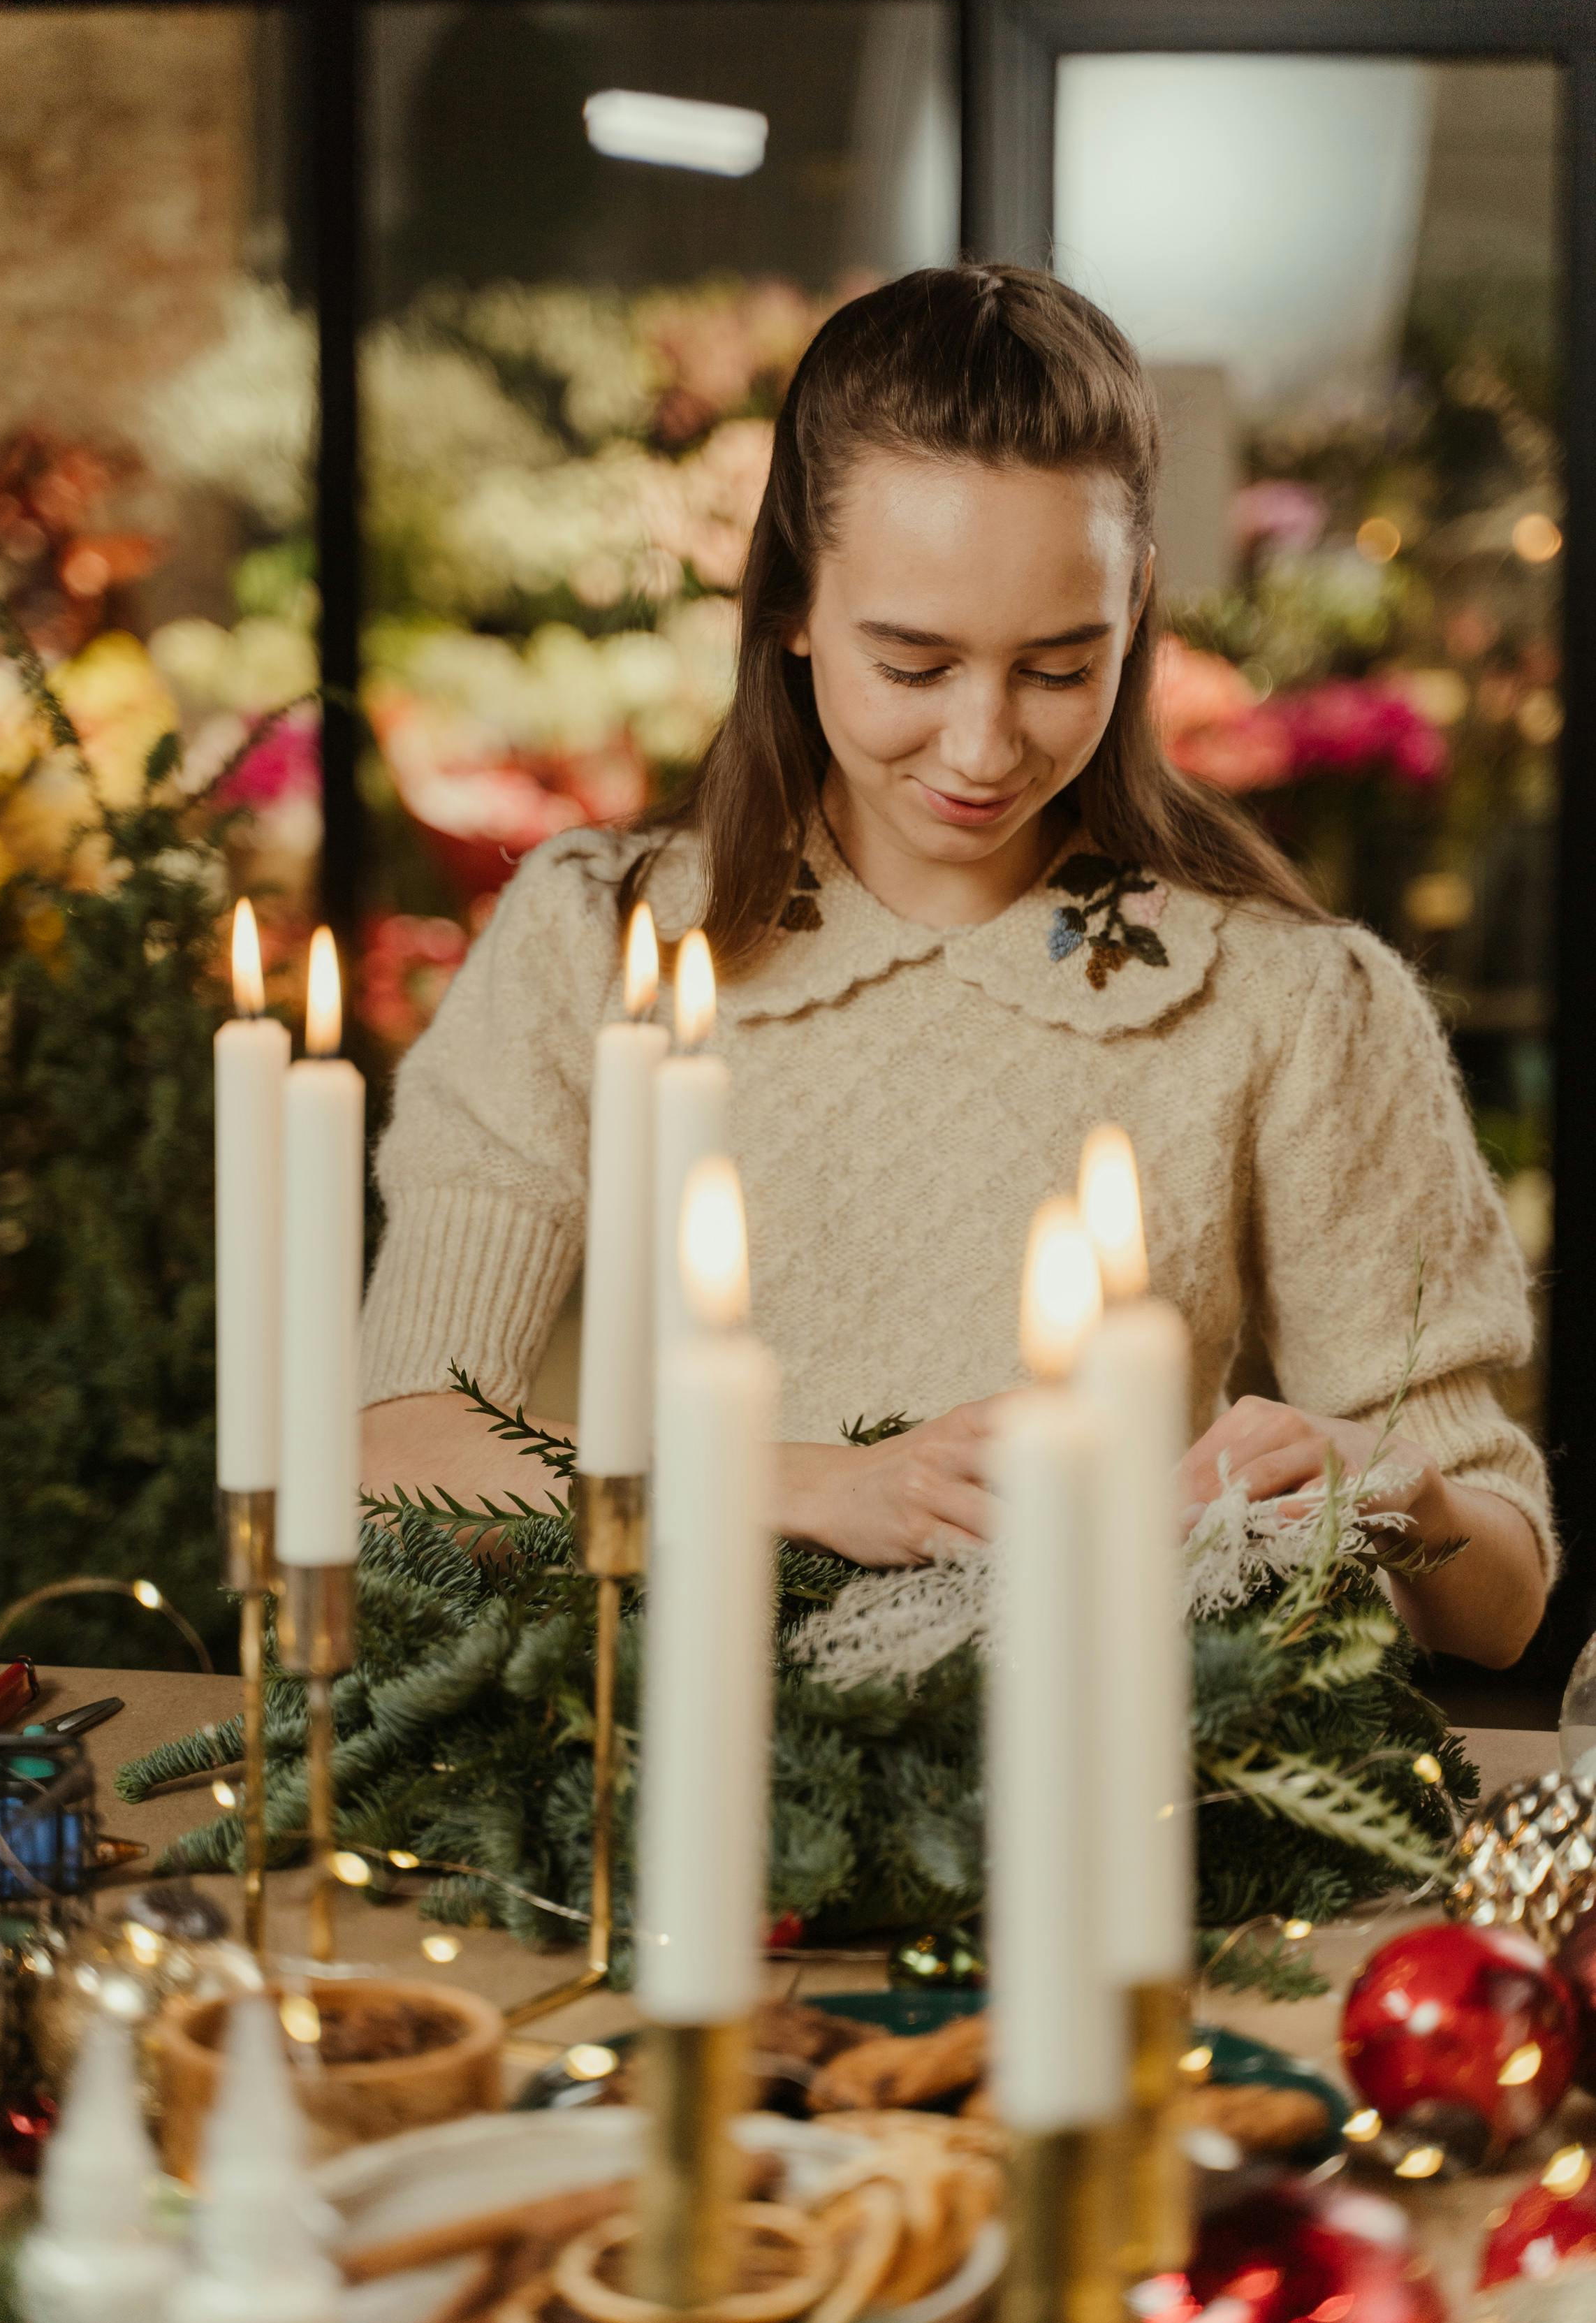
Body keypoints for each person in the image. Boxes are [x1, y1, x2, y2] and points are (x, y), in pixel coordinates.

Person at [361, 263, 1550, 1669]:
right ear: (793, 600)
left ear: (1141, 609)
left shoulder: (1294, 1000)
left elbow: (1506, 1585)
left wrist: (1388, 1485)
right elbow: (393, 1462)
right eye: (913, 664)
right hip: (634, 1771)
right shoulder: (592, 939)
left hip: (1126, 1790)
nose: (984, 746)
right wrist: (811, 1483)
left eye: (1059, 666)